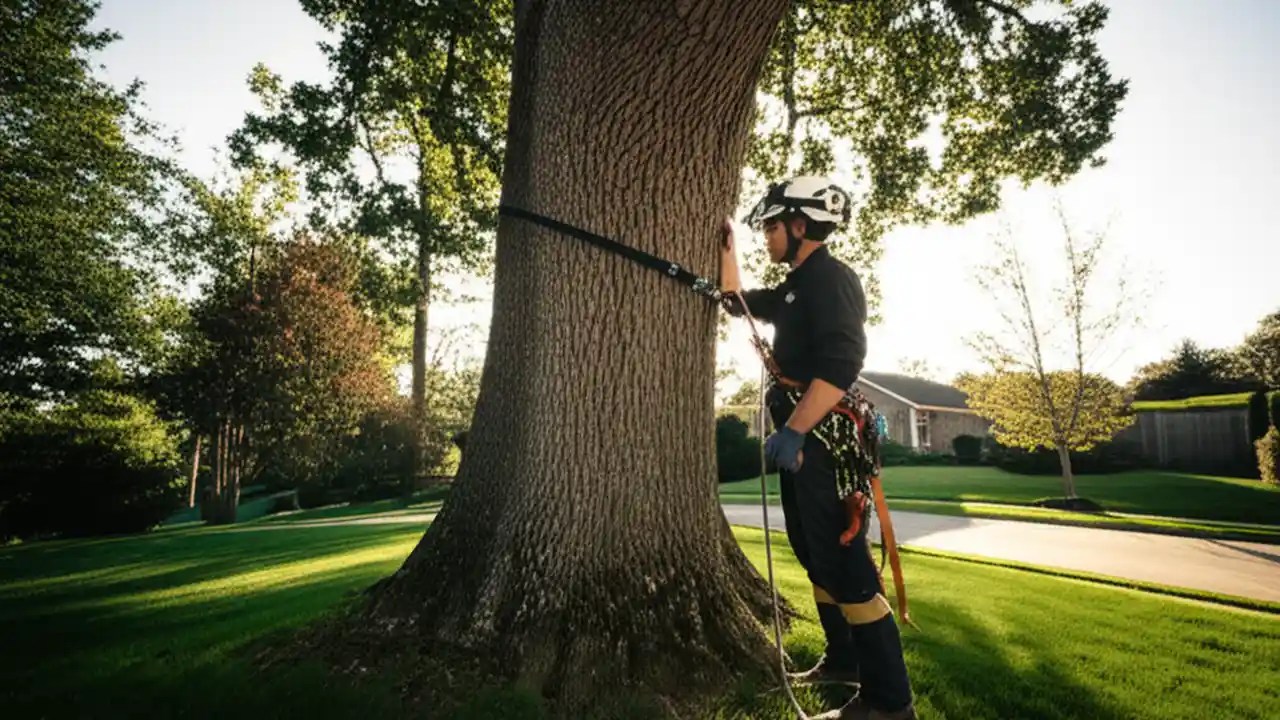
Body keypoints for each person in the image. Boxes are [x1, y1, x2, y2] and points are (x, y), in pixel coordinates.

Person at [719, 176, 915, 720]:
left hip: (822, 442)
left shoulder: (832, 281)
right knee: (813, 553)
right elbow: (738, 301)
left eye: (773, 227)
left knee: (845, 563)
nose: (766, 236)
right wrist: (727, 248)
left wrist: (797, 429)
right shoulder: (795, 288)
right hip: (801, 440)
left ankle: (889, 703)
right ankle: (843, 661)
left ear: (801, 226)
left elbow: (842, 362)